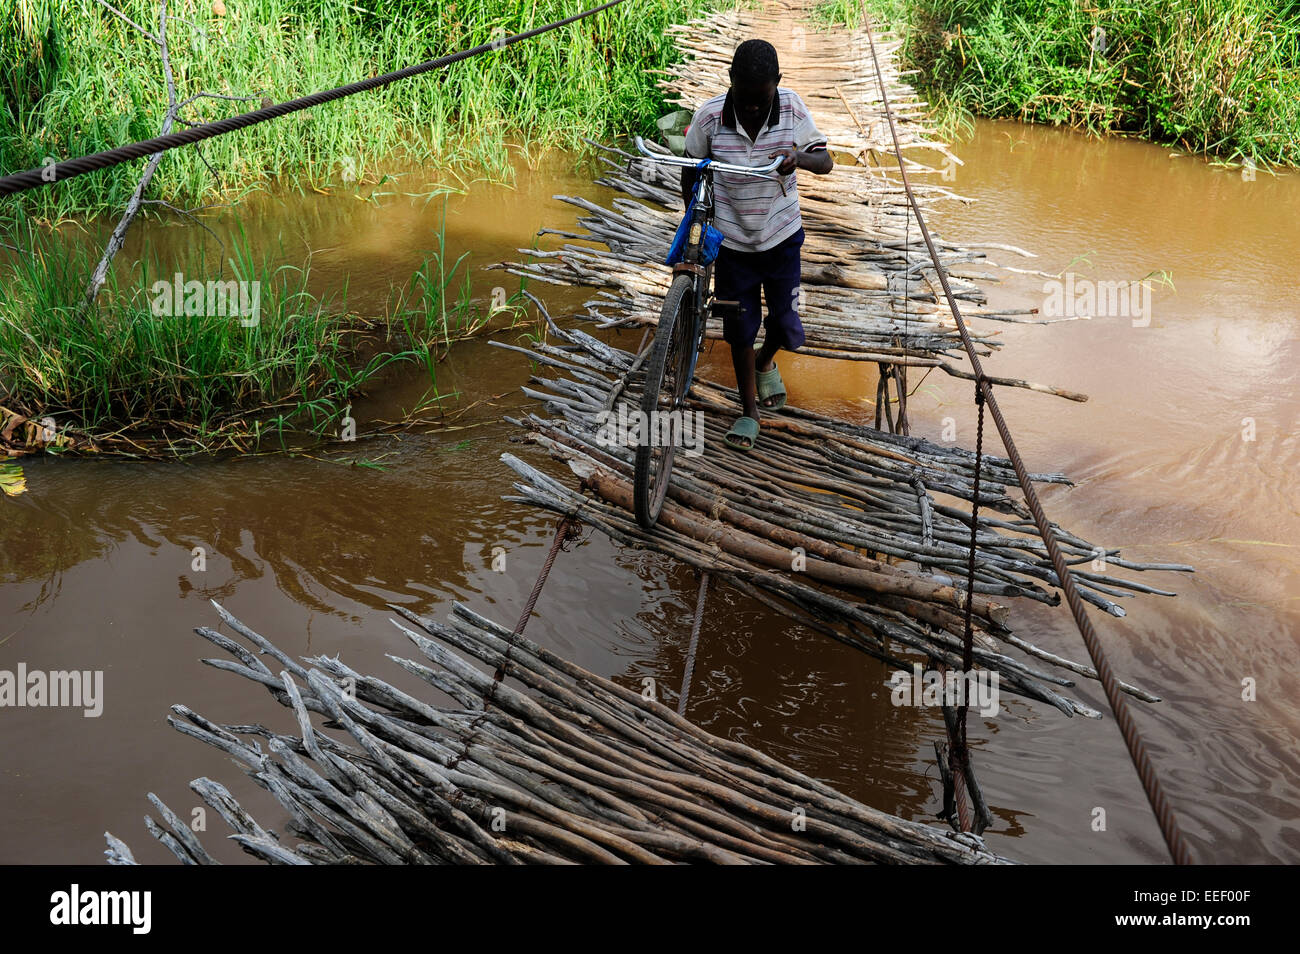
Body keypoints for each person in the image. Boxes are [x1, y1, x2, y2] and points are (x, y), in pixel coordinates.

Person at [680, 38, 833, 450]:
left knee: (786, 325)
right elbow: (691, 173)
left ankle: (768, 362)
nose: (751, 107)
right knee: (740, 329)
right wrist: (697, 219)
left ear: (777, 84)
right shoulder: (710, 116)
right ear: (730, 81)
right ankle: (749, 412)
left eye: (760, 98)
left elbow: (826, 162)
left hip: (781, 238)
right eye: (744, 98)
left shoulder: (793, 108)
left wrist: (797, 158)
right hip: (733, 246)